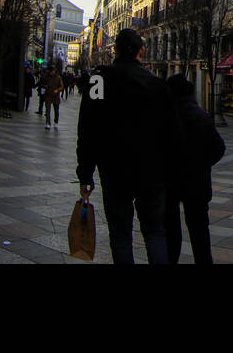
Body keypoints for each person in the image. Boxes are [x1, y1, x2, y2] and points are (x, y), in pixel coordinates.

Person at [76, 29, 179, 264]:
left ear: (115, 50)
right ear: (142, 51)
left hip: (114, 171)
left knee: (120, 236)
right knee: (155, 233)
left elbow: (88, 128)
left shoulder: (99, 80)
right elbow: (172, 133)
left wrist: (85, 172)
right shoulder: (157, 85)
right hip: (152, 173)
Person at [164, 75, 225, 265]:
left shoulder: (164, 116)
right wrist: (203, 164)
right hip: (197, 181)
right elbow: (219, 148)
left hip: (170, 182)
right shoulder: (201, 115)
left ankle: (170, 259)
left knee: (170, 230)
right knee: (199, 230)